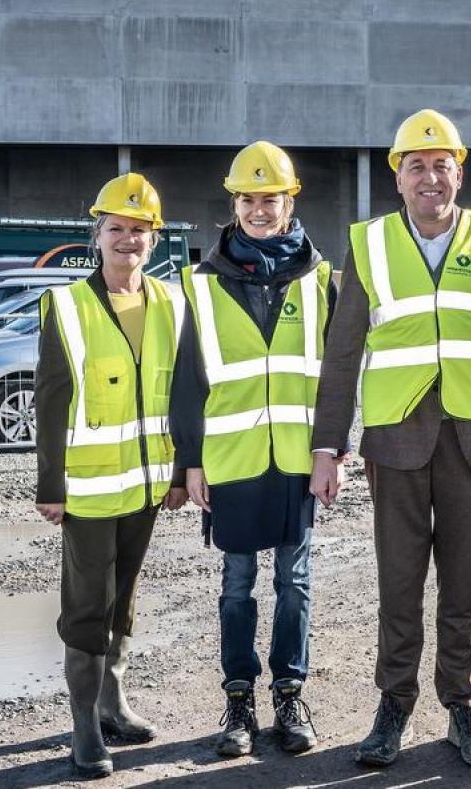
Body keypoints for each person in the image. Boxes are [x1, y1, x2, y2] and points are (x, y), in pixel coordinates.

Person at [309, 108, 471, 768]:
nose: (430, 177)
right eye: (417, 166)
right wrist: (327, 447)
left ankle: (463, 705)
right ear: (399, 177)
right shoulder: (370, 244)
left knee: (463, 582)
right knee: (399, 579)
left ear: (458, 174)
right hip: (395, 438)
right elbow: (342, 352)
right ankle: (394, 704)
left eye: (442, 166)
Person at [172, 141, 333, 758]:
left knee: (295, 582)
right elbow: (187, 382)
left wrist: (333, 450)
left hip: (296, 459)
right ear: (233, 203)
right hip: (231, 460)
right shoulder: (201, 284)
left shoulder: (319, 278)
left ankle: (289, 695)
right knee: (237, 585)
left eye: (271, 199)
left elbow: (337, 376)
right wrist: (191, 461)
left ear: (291, 201)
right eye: (248, 199)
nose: (259, 211)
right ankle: (239, 699)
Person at [33, 172, 188, 779]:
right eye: (116, 229)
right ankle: (84, 726)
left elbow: (183, 394)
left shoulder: (172, 304)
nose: (128, 240)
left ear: (155, 239)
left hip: (147, 485)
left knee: (124, 596)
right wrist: (51, 485)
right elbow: (51, 400)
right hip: (89, 489)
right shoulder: (68, 306)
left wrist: (179, 473)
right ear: (96, 235)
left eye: (139, 230)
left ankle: (112, 702)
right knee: (87, 604)